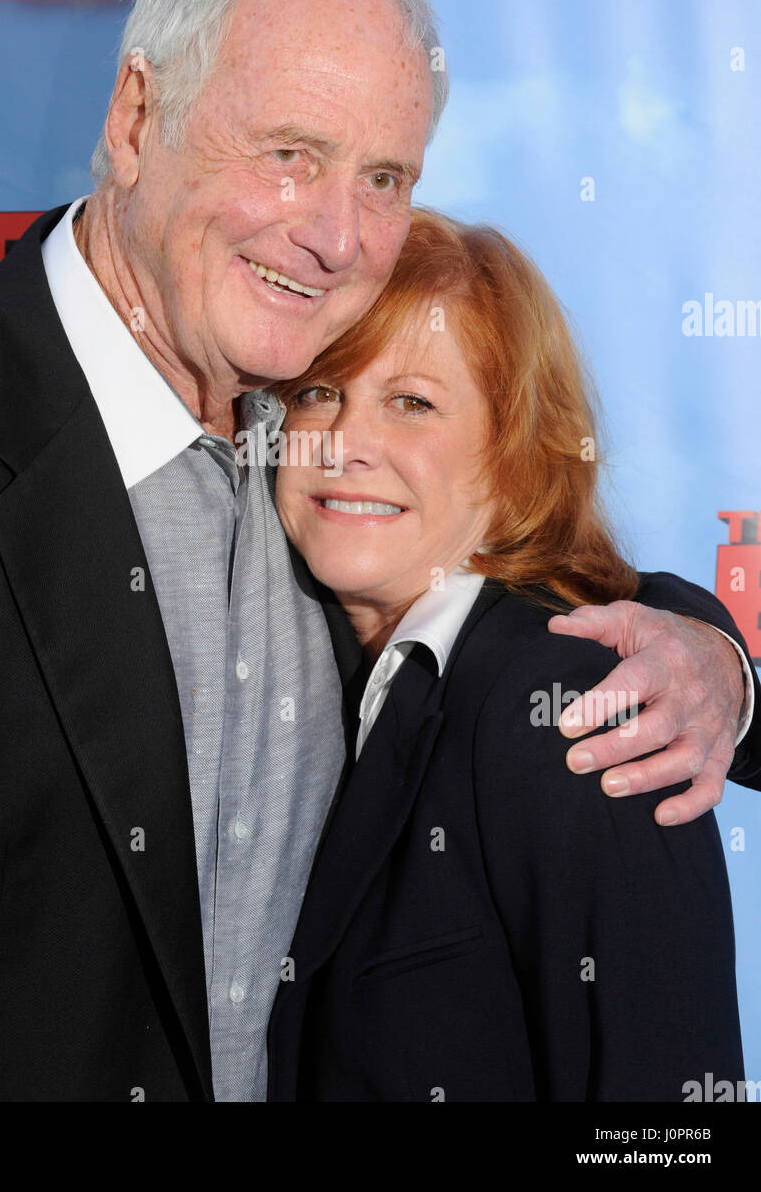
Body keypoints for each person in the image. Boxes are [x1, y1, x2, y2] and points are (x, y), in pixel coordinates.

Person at [0, 0, 756, 1103]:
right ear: (136, 120)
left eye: (383, 178)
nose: (334, 237)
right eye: (288, 153)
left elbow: (530, 593)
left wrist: (716, 659)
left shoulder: (307, 437)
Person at [267, 207, 744, 1101]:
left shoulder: (566, 707)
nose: (347, 442)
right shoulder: (319, 665)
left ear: (514, 455)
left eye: (412, 402)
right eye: (320, 391)